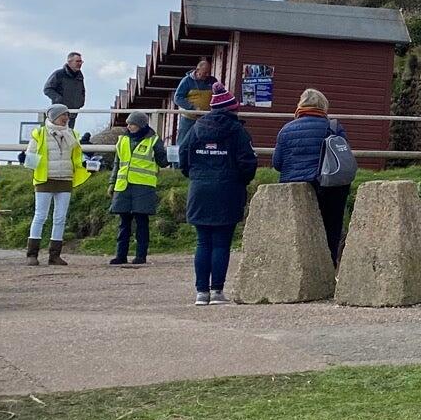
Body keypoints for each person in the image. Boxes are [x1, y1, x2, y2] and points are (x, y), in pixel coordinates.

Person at [179, 88, 258, 306]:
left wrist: (195, 175)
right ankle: (217, 292)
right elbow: (248, 162)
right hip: (228, 190)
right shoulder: (236, 130)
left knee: (203, 242)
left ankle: (201, 292)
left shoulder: (196, 128)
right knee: (221, 243)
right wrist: (241, 180)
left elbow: (183, 157)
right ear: (232, 109)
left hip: (199, 190)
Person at [273, 89, 354, 263]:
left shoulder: (286, 130)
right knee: (331, 229)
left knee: (298, 231)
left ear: (300, 106)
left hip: (295, 188)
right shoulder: (333, 127)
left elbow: (277, 163)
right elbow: (344, 158)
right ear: (324, 106)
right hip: (331, 187)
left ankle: (297, 267)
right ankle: (329, 266)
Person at [26, 104, 89, 265]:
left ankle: (54, 255)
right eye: (63, 115)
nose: (66, 118)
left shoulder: (72, 134)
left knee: (60, 218)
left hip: (65, 178)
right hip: (45, 179)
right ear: (54, 116)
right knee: (40, 216)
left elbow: (77, 157)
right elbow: (31, 156)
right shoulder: (39, 134)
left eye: (67, 115)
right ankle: (32, 254)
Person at [107, 110, 167, 267]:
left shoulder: (154, 141)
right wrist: (112, 183)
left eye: (132, 124)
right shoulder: (122, 140)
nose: (129, 126)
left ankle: (141, 255)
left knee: (142, 222)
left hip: (144, 185)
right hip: (124, 186)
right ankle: (121, 255)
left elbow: (163, 161)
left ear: (141, 125)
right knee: (124, 223)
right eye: (128, 123)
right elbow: (117, 164)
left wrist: (172, 156)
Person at [42, 52, 87, 127]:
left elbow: (82, 90)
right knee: (58, 135)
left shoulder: (79, 76)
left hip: (72, 114)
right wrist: (59, 99)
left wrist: (80, 102)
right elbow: (47, 89)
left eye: (81, 61)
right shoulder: (59, 74)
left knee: (69, 135)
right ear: (70, 62)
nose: (80, 63)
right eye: (77, 61)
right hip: (59, 115)